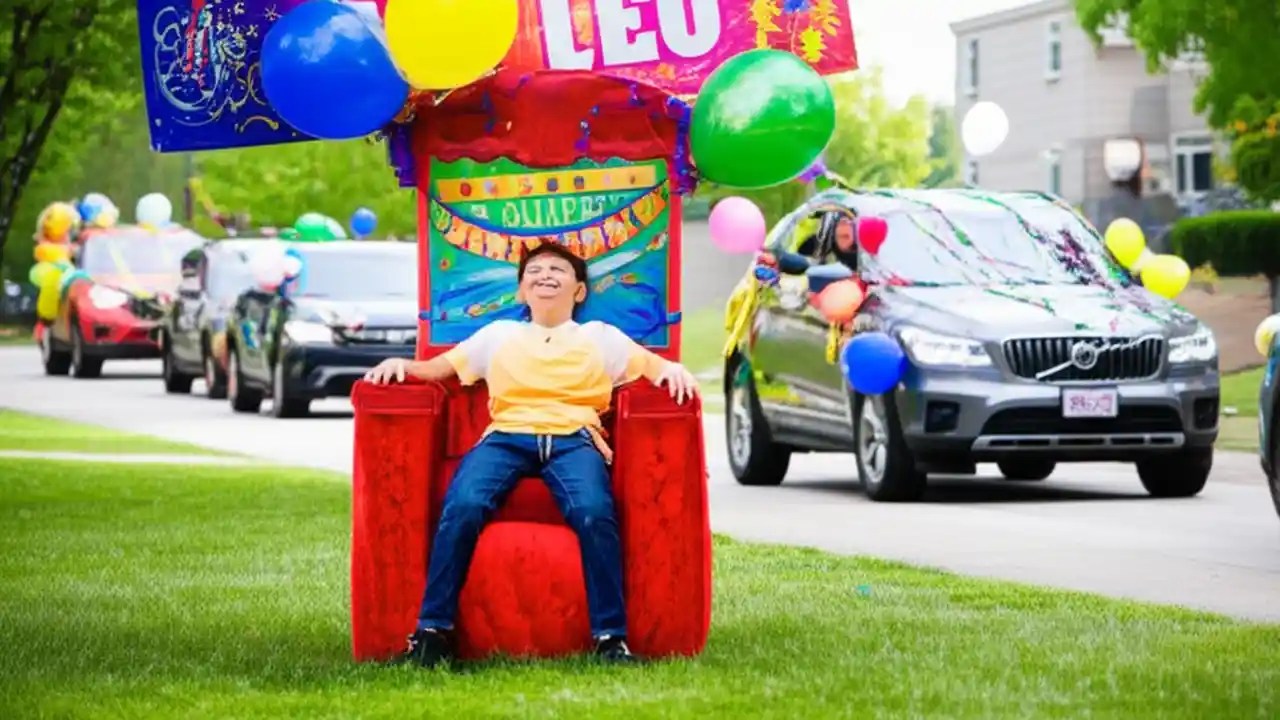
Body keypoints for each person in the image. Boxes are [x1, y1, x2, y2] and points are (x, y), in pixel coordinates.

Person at [363, 241, 699, 668]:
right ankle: (431, 634)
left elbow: (655, 367)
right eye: (534, 271)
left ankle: (611, 641)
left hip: (574, 437)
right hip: (506, 436)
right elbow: (437, 369)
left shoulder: (601, 338)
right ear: (522, 290)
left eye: (558, 270)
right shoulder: (498, 335)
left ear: (579, 290)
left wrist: (672, 370)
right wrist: (400, 364)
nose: (545, 276)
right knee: (464, 505)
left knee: (595, 512)